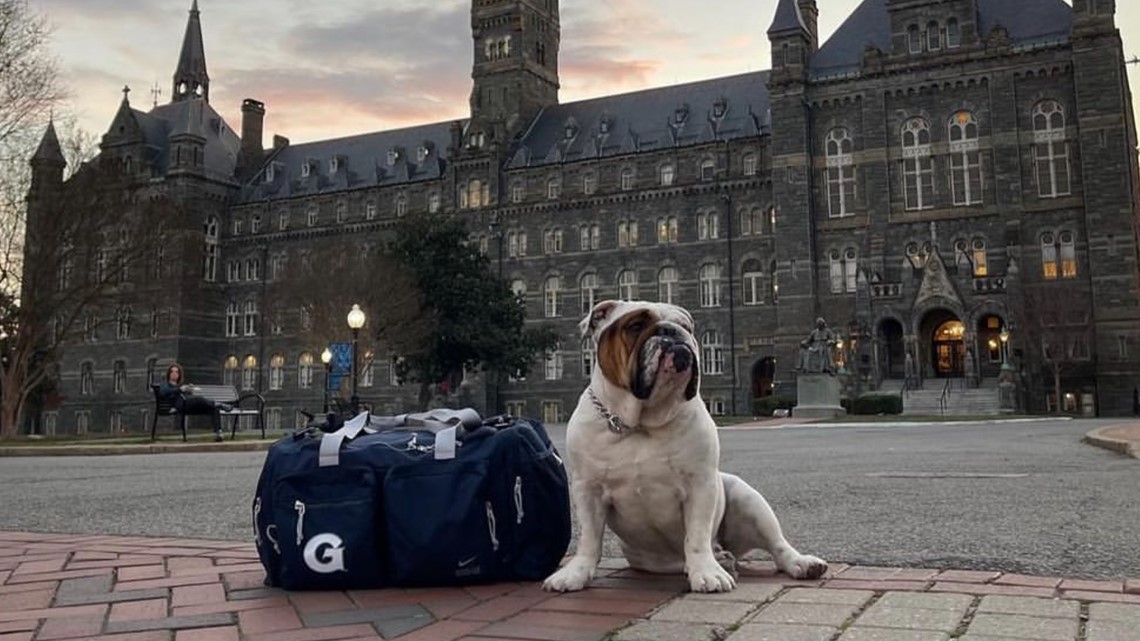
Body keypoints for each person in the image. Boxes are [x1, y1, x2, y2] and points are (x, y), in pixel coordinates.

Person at [158, 363, 229, 442]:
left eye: (176, 372)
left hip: (188, 406)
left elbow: (186, 396)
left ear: (179, 374)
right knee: (198, 399)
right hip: (179, 406)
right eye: (172, 372)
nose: (174, 374)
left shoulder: (180, 385)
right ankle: (218, 404)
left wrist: (189, 389)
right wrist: (180, 390)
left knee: (214, 408)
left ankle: (219, 433)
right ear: (169, 374)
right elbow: (164, 392)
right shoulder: (165, 384)